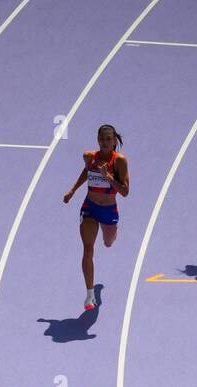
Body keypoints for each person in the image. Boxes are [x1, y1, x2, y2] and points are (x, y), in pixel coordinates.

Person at [63, 124, 129, 310]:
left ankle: (111, 236)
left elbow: (124, 192)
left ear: (115, 140)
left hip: (108, 211)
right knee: (88, 249)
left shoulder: (120, 161)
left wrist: (107, 176)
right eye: (102, 139)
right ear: (97, 140)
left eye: (109, 139)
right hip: (90, 207)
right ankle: (90, 295)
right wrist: (72, 191)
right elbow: (86, 172)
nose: (105, 142)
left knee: (108, 243)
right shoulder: (90, 157)